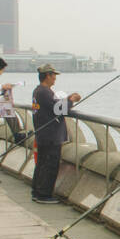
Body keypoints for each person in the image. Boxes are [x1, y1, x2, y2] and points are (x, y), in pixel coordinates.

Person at [30, 63, 81, 203]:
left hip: (43, 135)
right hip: (50, 136)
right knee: (49, 165)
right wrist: (71, 100)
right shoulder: (44, 92)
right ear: (48, 75)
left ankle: (37, 191)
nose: (55, 79)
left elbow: (53, 106)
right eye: (54, 76)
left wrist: (67, 100)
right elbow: (58, 109)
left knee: (41, 164)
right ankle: (44, 195)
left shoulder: (38, 91)